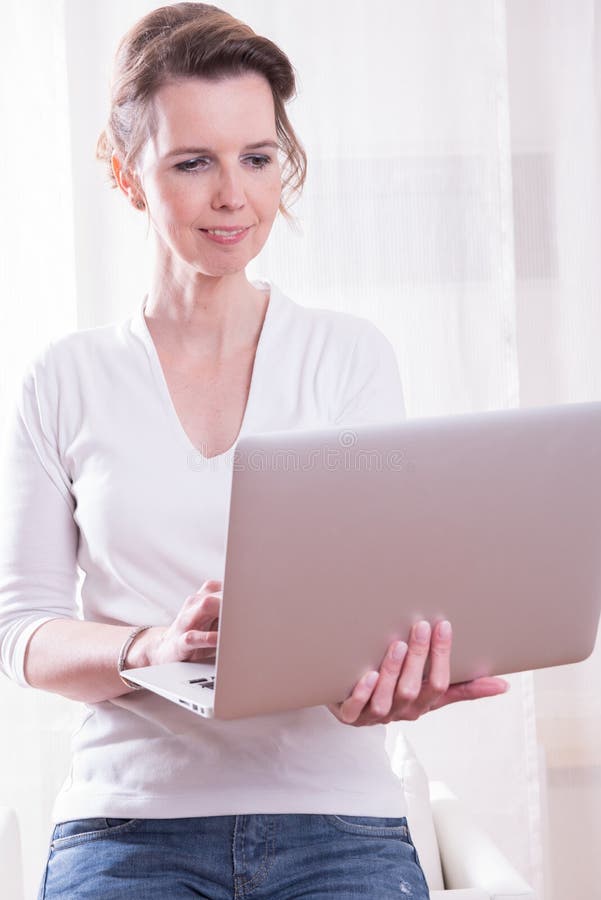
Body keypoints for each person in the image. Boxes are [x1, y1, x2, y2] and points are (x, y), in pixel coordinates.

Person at [0, 4, 509, 898]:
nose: (233, 195)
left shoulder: (346, 356)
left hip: (338, 820)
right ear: (127, 177)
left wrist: (388, 678)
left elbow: (372, 599)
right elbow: (23, 633)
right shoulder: (64, 375)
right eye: (193, 162)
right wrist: (150, 645)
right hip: (130, 825)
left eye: (258, 158)